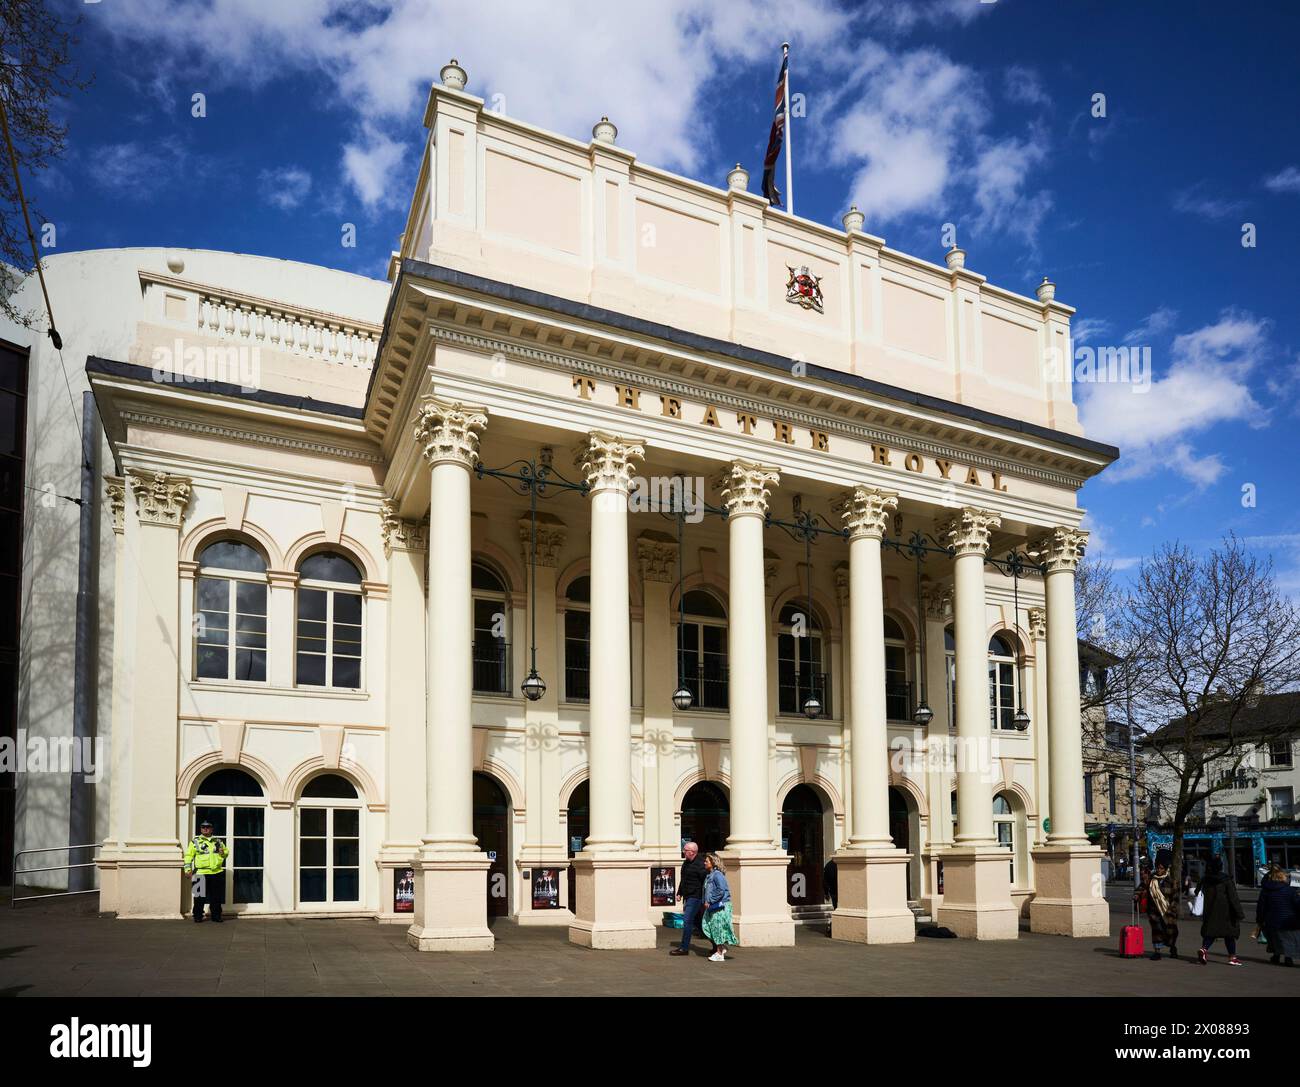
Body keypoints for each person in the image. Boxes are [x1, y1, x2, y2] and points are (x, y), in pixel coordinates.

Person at [1197, 856, 1244, 966]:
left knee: (1210, 933)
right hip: (1226, 912)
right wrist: (1239, 913)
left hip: (1210, 910)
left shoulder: (1206, 879)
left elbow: (1197, 892)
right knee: (1229, 935)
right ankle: (1232, 957)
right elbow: (1233, 897)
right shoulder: (1226, 879)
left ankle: (1204, 949)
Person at [184, 819, 229, 923]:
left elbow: (226, 853)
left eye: (208, 827)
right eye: (203, 827)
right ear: (200, 829)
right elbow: (188, 856)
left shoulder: (218, 841)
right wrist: (187, 869)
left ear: (212, 829)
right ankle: (198, 916)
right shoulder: (195, 842)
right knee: (199, 897)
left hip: (216, 873)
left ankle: (216, 916)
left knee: (216, 897)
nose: (205, 829)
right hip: (200, 872)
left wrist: (223, 852)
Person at [1254, 862, 1300, 967]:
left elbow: (1261, 907)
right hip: (1288, 920)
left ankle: (1276, 956)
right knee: (1288, 939)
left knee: (1274, 939)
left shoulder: (1265, 890)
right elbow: (1297, 904)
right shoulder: (1290, 890)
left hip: (1271, 920)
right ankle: (1288, 958)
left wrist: (1259, 920)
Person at [670, 841, 707, 956]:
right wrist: (679, 893)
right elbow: (684, 879)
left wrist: (705, 899)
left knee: (687, 921)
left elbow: (705, 882)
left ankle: (684, 948)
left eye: (685, 850)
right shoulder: (686, 863)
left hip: (696, 897)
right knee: (699, 924)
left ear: (691, 852)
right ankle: (717, 946)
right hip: (688, 896)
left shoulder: (701, 864)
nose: (683, 852)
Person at [701, 852, 738, 962]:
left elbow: (721, 890)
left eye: (706, 861)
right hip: (712, 905)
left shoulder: (717, 875)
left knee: (718, 928)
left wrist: (710, 900)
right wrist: (706, 901)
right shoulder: (710, 875)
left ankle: (719, 952)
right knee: (708, 926)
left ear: (713, 862)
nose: (704, 863)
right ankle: (721, 948)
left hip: (720, 906)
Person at [1144, 850, 1180, 960]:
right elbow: (1141, 888)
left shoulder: (1171, 880)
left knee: (1171, 931)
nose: (1159, 870)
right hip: (1154, 911)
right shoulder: (1151, 879)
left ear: (1165, 869)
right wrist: (1136, 895)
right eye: (1158, 868)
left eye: (1161, 868)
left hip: (1168, 911)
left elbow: (1175, 897)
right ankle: (1157, 952)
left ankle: (1172, 947)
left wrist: (1172, 909)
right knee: (1157, 931)